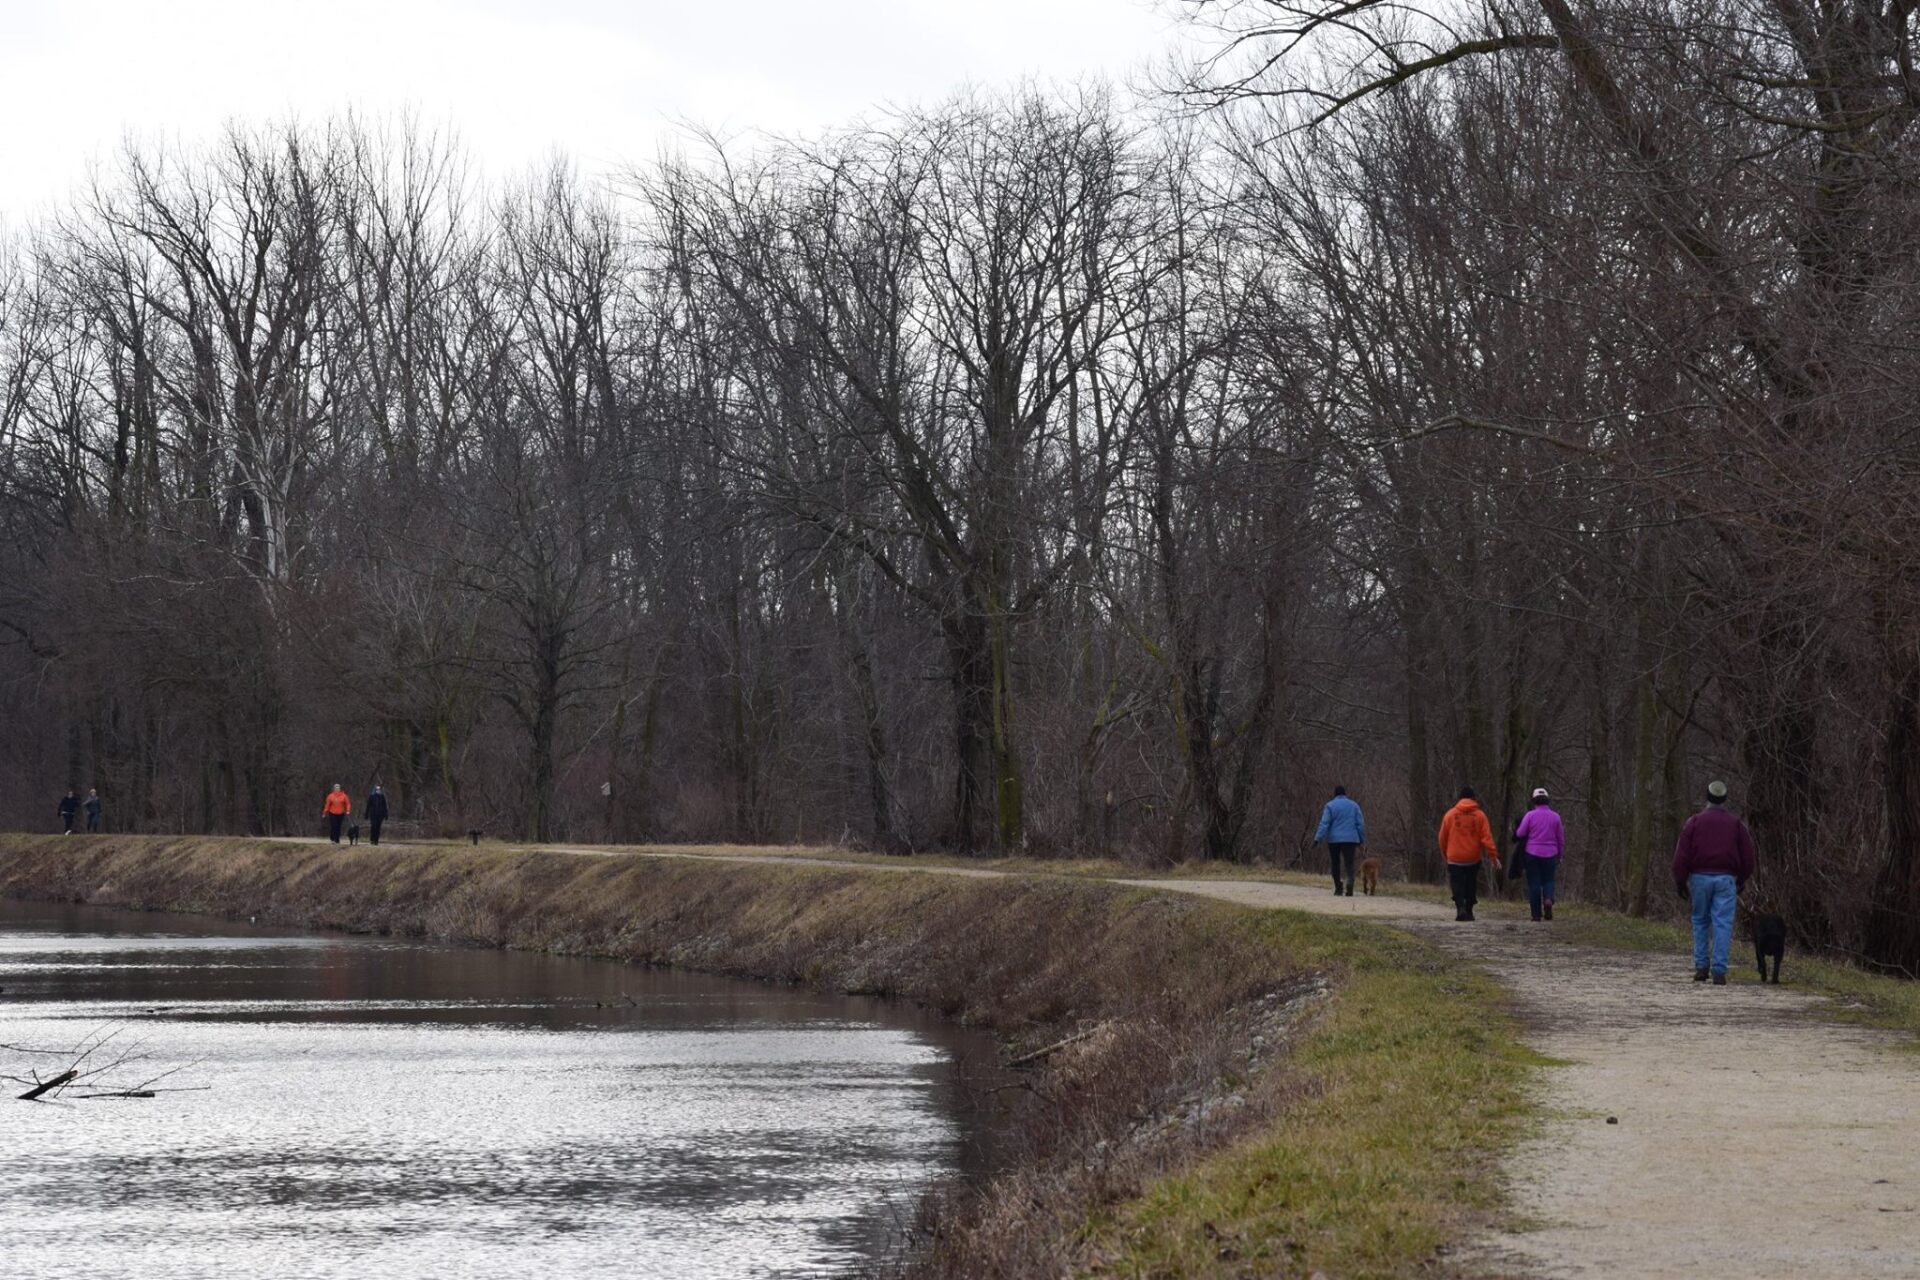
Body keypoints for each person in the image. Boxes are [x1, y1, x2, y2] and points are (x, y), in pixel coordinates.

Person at [1671, 779, 1756, 985]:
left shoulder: (1694, 822)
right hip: (1726, 879)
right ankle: (1719, 970)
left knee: (1700, 921)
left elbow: (1682, 854)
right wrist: (1741, 879)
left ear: (1707, 798)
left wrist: (1680, 880)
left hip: (1699, 877)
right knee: (1723, 923)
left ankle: (1701, 967)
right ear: (1724, 799)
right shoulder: (1736, 825)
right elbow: (1748, 856)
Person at [1438, 786, 1499, 921]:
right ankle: (1469, 910)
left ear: (1459, 799)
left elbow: (1442, 838)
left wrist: (1445, 854)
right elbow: (1486, 838)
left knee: (1457, 883)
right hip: (1472, 857)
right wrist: (1493, 856)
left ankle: (1460, 907)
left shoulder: (1450, 815)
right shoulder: (1480, 815)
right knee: (1471, 883)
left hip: (1454, 856)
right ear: (1474, 799)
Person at [1513, 787, 1565, 922]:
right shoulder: (1556, 817)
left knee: (1534, 883)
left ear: (1534, 801)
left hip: (1532, 853)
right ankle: (1548, 899)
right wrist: (1560, 854)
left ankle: (1536, 914)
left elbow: (1520, 833)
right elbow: (1560, 839)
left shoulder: (1530, 815)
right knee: (1549, 880)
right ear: (1547, 801)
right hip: (1550, 853)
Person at [1313, 785, 1366, 896]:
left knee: (1335, 863)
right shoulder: (1354, 805)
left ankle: (1338, 887)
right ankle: (1350, 881)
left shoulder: (1330, 805)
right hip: (1351, 839)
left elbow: (1324, 823)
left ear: (1335, 794)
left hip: (1334, 839)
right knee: (1349, 863)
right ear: (1345, 794)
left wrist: (1317, 838)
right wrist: (1362, 839)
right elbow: (1360, 824)